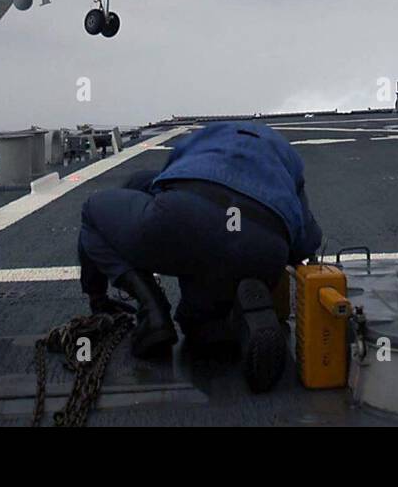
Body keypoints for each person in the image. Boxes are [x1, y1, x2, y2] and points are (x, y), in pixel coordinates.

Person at [77, 121, 322, 392]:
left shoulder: (197, 141)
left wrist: (96, 294)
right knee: (198, 323)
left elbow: (164, 190)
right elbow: (306, 242)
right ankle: (245, 319)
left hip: (191, 217)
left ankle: (153, 312)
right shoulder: (286, 154)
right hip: (263, 246)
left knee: (91, 211)